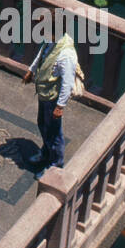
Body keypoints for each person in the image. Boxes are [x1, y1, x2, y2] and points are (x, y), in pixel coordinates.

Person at [23, 32, 80, 173]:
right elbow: (42, 53)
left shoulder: (66, 54)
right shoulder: (51, 40)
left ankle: (55, 165)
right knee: (43, 124)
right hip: (44, 93)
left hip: (53, 98)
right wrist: (31, 70)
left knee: (54, 133)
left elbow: (67, 83)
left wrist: (60, 106)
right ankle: (46, 153)